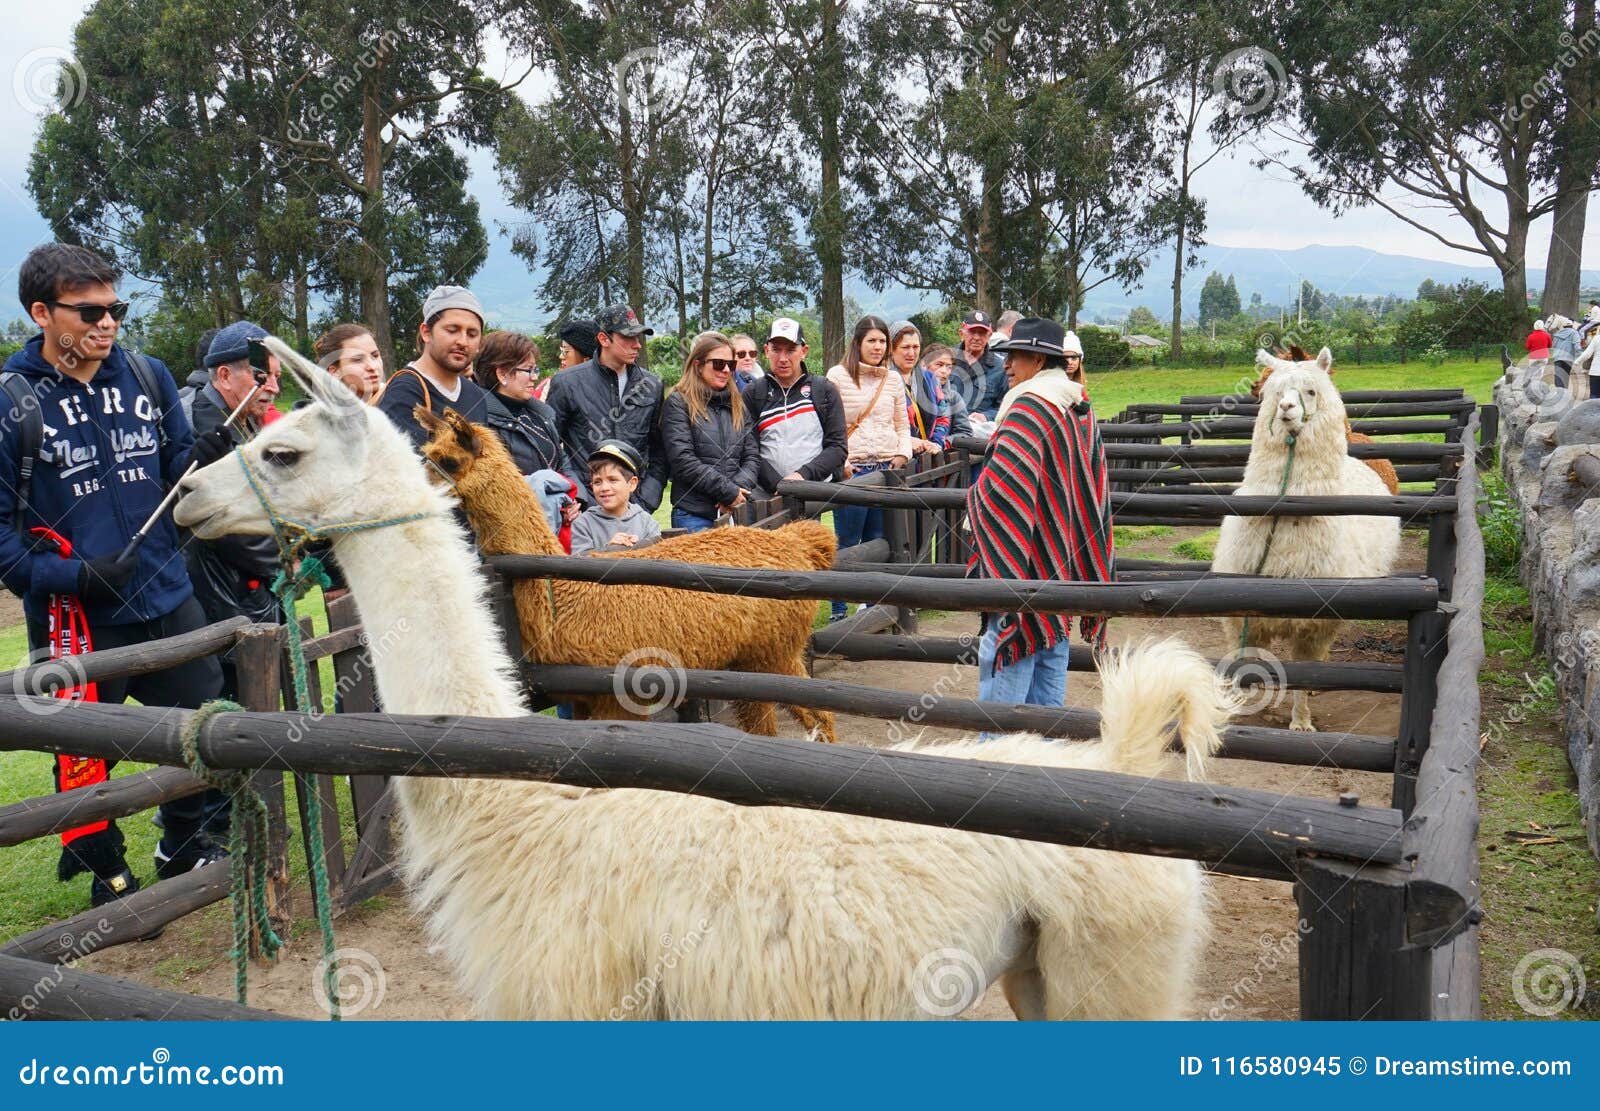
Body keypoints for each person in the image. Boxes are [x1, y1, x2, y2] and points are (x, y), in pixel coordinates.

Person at [0, 243, 225, 906]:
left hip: (168, 598)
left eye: (116, 308)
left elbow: (183, 481)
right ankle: (108, 873)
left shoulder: (150, 378)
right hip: (77, 619)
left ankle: (183, 844)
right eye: (89, 309)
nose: (107, 323)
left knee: (200, 726)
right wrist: (72, 576)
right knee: (84, 752)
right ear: (42, 312)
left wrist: (170, 544)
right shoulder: (13, 404)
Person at [966, 317, 1113, 721]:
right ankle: (1050, 759)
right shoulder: (1077, 405)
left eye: (1013, 356)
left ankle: (998, 764)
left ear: (1034, 358)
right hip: (1060, 561)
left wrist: (974, 499)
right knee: (1051, 642)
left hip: (1022, 567)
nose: (1007, 366)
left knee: (1008, 650)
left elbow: (999, 491)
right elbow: (1092, 490)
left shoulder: (1029, 407)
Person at [184, 321, 285, 690]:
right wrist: (289, 559)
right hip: (222, 599)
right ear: (224, 376)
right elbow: (225, 524)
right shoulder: (204, 424)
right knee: (240, 716)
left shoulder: (246, 422)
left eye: (276, 376)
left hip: (248, 593)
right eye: (262, 376)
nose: (273, 387)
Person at [826, 315, 910, 621]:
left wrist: (902, 454)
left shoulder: (893, 379)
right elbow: (829, 427)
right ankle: (838, 610)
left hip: (886, 468)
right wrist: (842, 462)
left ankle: (873, 610)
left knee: (879, 539)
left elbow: (903, 424)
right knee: (847, 541)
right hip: (854, 470)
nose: (878, 347)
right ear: (858, 342)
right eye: (871, 340)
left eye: (882, 341)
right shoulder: (837, 376)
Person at [544, 303, 669, 511]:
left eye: (638, 337)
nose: (637, 345)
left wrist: (647, 498)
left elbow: (660, 450)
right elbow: (550, 447)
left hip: (637, 509)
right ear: (604, 339)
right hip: (585, 511)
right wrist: (579, 496)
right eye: (628, 338)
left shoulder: (652, 385)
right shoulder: (566, 383)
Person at [661, 330, 760, 532]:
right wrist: (727, 492)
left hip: (736, 511)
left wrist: (734, 493)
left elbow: (752, 456)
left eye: (731, 365)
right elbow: (682, 460)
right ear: (697, 365)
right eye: (717, 363)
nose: (725, 370)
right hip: (694, 514)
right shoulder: (679, 402)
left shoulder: (738, 404)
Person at [744, 316, 848, 495]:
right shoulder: (753, 393)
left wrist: (802, 477)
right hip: (762, 496)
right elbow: (747, 448)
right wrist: (777, 484)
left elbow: (838, 447)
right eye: (776, 350)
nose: (783, 358)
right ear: (766, 351)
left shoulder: (824, 389)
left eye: (791, 350)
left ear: (804, 351)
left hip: (809, 492)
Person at [569, 440, 663, 555]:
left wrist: (640, 549)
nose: (604, 488)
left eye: (613, 480)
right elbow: (578, 564)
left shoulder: (647, 523)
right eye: (597, 482)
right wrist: (609, 550)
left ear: (632, 484)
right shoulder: (583, 524)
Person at [888, 319, 948, 453]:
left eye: (915, 347)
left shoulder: (929, 379)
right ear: (891, 349)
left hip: (930, 456)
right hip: (897, 459)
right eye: (905, 347)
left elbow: (942, 416)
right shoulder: (883, 380)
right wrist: (907, 441)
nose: (911, 353)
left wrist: (935, 444)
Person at [951, 309, 1007, 420]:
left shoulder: (1001, 368)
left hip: (978, 433)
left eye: (982, 333)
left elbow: (1005, 406)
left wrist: (986, 416)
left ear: (989, 335)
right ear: (961, 334)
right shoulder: (946, 358)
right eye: (972, 332)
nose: (976, 338)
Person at [314, 323, 386, 403]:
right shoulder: (317, 413)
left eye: (375, 356)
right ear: (334, 371)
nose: (372, 367)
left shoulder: (399, 397)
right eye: (358, 360)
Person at [921, 343, 972, 437]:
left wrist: (945, 443)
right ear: (924, 364)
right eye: (939, 365)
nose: (944, 371)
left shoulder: (954, 398)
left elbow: (965, 432)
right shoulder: (912, 392)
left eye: (949, 367)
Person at [1551, 316, 1582, 391]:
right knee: (1565, 376)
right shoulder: (1574, 333)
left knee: (1558, 377)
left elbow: (1553, 346)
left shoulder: (1557, 334)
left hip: (1557, 358)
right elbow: (1577, 347)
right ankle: (1564, 393)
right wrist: (1579, 357)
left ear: (1563, 326)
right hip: (1568, 359)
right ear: (1572, 326)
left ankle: (1558, 393)